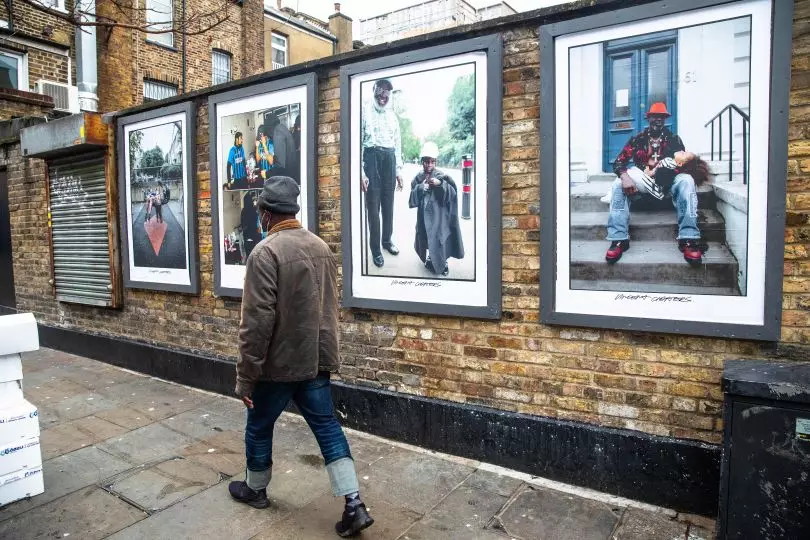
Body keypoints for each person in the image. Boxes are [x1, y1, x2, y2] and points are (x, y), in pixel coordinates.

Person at [230, 176, 375, 537]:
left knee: (259, 426)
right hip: (315, 363)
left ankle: (256, 489)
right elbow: (328, 308)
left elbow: (256, 323)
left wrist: (246, 377)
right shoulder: (320, 247)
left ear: (265, 215)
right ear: (292, 210)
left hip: (278, 367)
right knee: (327, 427)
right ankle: (354, 503)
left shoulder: (265, 253)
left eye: (260, 213)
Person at [605, 102, 704, 266]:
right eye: (654, 116)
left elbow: (683, 164)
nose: (658, 120)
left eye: (662, 117)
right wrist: (624, 176)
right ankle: (618, 239)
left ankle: (688, 238)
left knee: (687, 180)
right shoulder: (637, 139)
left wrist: (664, 172)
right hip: (642, 180)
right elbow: (619, 163)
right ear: (648, 118)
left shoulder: (673, 139)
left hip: (666, 181)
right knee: (617, 184)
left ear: (665, 120)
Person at [361, 78, 403, 268]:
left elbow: (398, 144)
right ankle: (376, 250)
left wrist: (398, 170)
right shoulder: (364, 112)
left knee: (388, 204)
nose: (384, 95)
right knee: (373, 208)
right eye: (381, 90)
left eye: (387, 92)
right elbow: (358, 145)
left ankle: (387, 241)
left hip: (390, 158)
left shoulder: (393, 116)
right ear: (374, 90)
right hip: (372, 158)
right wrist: (362, 173)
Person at [408, 142, 464, 276]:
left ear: (436, 162)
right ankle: (430, 257)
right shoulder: (418, 178)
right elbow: (412, 197)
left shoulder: (440, 175)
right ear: (422, 162)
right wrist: (422, 188)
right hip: (424, 215)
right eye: (426, 162)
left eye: (432, 162)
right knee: (427, 237)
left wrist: (440, 184)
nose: (429, 165)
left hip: (438, 215)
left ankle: (443, 261)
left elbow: (451, 192)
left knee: (440, 238)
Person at [266, 113, 298, 181]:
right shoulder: (282, 128)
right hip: (292, 174)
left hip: (288, 177)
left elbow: (280, 165)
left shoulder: (277, 132)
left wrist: (267, 174)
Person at [239, 191, 262, 261]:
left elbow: (242, 222)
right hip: (253, 233)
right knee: (255, 253)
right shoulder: (254, 209)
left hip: (246, 234)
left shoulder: (243, 211)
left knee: (248, 253)